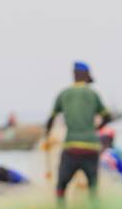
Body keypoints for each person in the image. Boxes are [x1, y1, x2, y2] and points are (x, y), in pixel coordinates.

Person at [45, 62, 111, 201]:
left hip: (71, 147)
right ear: (86, 75)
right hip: (91, 147)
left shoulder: (64, 94)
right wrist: (95, 129)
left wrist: (47, 138)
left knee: (61, 186)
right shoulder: (93, 94)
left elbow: (50, 120)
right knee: (92, 187)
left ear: (74, 75)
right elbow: (107, 117)